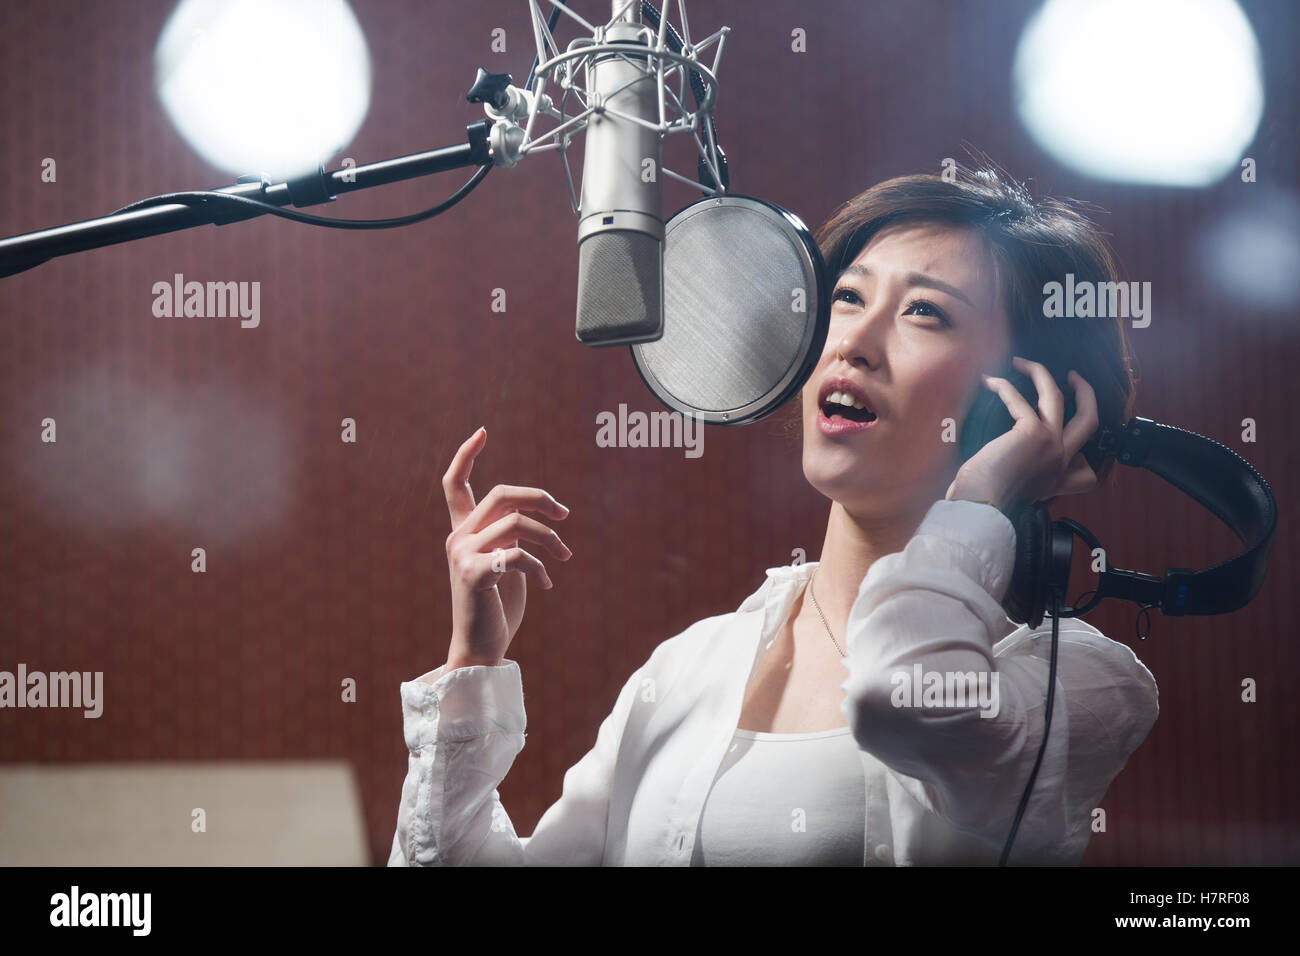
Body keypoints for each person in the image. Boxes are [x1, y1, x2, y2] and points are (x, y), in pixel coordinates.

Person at [387, 164, 1159, 866]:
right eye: (848, 297)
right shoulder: (688, 666)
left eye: (925, 312)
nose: (853, 340)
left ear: (1030, 405)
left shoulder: (1078, 682)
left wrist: (984, 500)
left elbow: (902, 700)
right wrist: (473, 664)